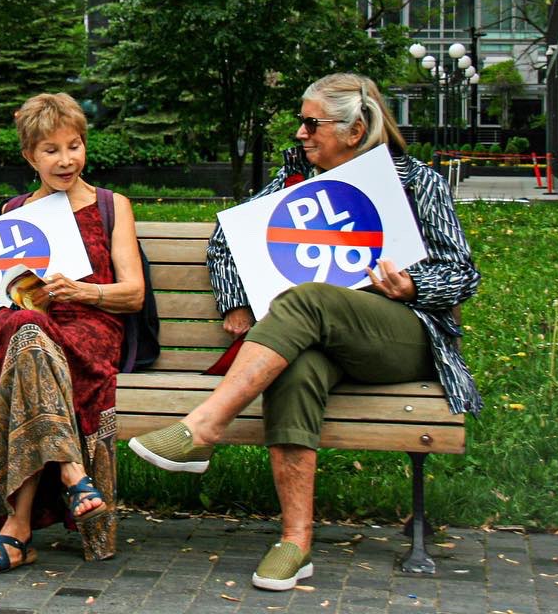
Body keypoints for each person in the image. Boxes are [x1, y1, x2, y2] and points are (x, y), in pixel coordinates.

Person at [128, 73, 482, 591]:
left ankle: (203, 429)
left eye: (311, 122)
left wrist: (412, 284)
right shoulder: (294, 182)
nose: (299, 133)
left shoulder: (414, 182)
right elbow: (226, 238)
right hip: (317, 338)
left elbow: (463, 272)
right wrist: (237, 303)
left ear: (355, 129)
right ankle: (295, 542)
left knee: (307, 297)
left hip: (398, 334)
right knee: (295, 369)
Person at [0, 93, 151, 573]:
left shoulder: (111, 206)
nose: (66, 160)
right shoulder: (13, 210)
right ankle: (73, 473)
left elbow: (133, 295)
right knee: (23, 326)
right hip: (26, 325)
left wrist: (82, 293)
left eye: (74, 146)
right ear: (30, 156)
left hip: (89, 330)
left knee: (26, 339)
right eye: (51, 150)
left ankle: (16, 530)